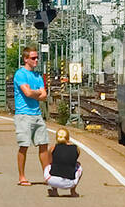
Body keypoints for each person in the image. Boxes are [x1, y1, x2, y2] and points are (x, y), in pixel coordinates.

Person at [13, 46, 49, 185]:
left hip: (37, 114)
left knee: (43, 144)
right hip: (23, 115)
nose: (36, 60)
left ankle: (47, 176)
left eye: (37, 58)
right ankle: (22, 177)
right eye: (33, 58)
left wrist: (34, 92)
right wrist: (37, 93)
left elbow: (44, 95)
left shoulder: (37, 76)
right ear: (25, 59)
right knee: (24, 145)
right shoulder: (20, 74)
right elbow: (27, 93)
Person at [44, 128, 83, 197]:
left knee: (49, 166)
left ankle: (54, 190)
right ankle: (73, 191)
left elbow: (50, 162)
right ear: (68, 137)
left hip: (52, 181)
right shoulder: (76, 148)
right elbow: (72, 161)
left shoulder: (53, 148)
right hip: (70, 183)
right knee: (78, 166)